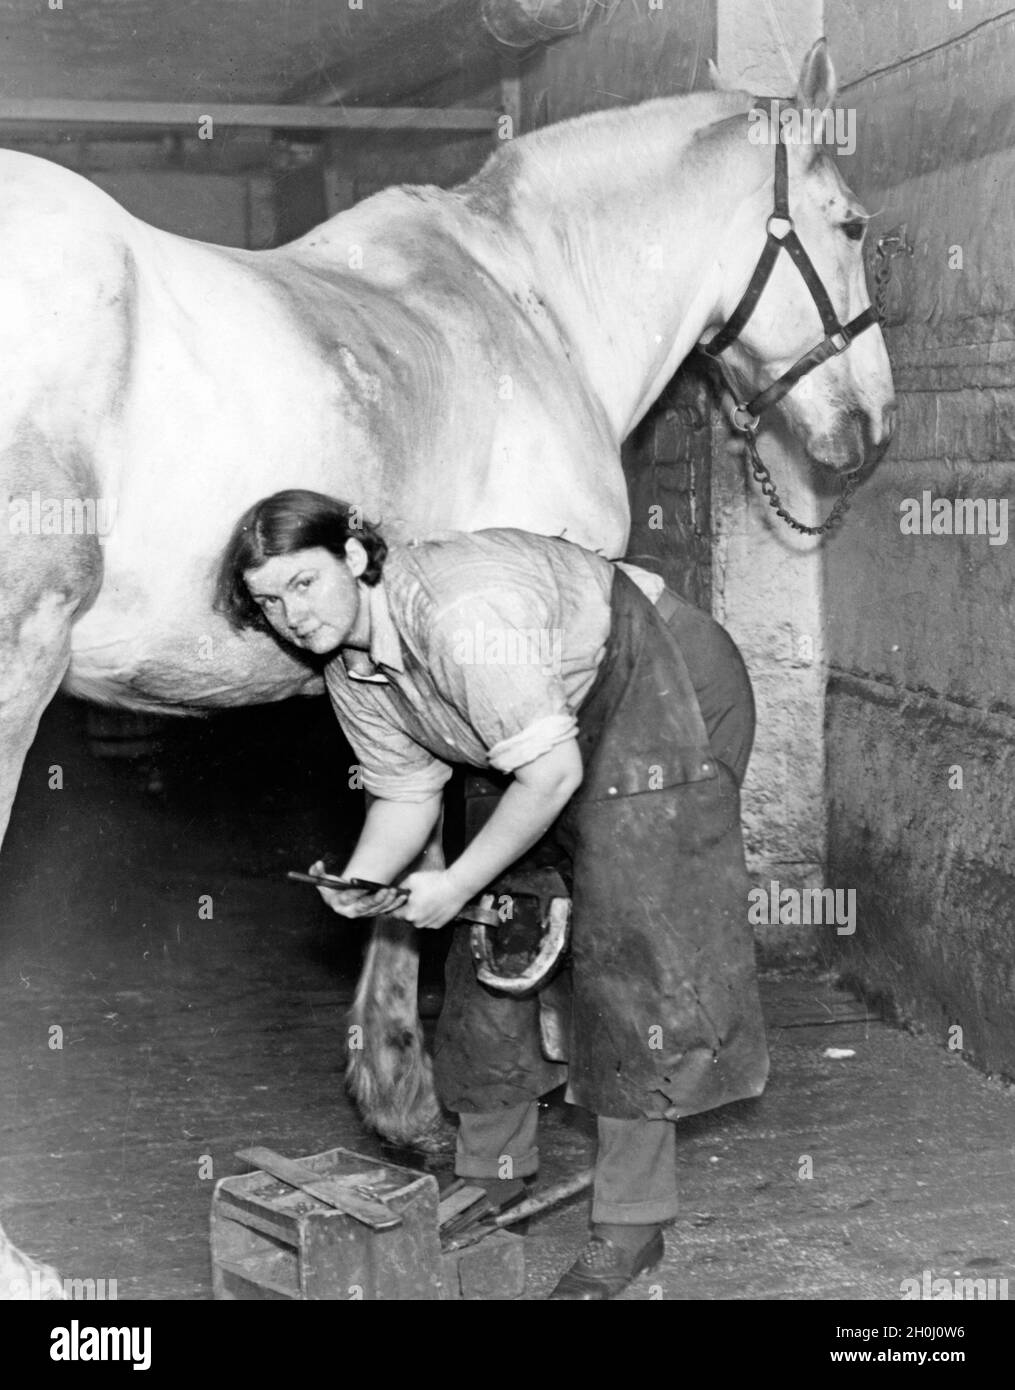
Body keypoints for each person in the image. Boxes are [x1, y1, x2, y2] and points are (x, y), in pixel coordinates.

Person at [215, 489, 769, 1300]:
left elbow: (550, 775)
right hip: (550, 725)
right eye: (269, 602)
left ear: (357, 559)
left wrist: (454, 880)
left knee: (630, 963)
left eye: (304, 583)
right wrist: (367, 881)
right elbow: (404, 794)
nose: (291, 616)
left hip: (660, 682)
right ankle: (492, 1178)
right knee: (499, 938)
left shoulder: (455, 615)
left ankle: (631, 1226)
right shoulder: (350, 666)